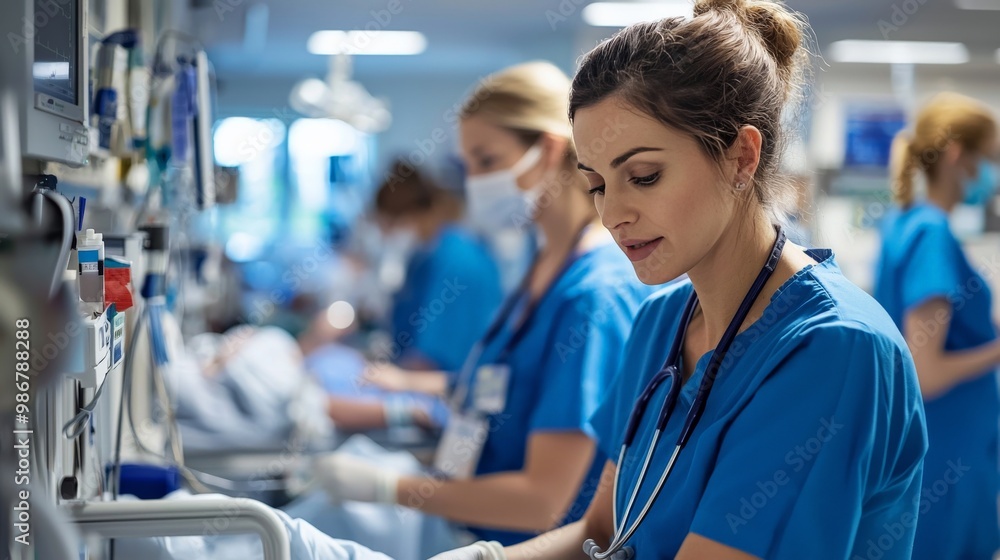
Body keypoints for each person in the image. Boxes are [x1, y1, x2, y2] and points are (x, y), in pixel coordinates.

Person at [432, 1, 927, 559]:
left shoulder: (834, 350)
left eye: (643, 177)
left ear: (741, 156)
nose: (613, 213)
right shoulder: (660, 322)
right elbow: (600, 531)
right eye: (597, 185)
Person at [295, 61, 656, 556]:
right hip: (470, 526)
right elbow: (493, 394)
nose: (475, 185)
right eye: (468, 166)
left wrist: (385, 488)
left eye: (487, 161)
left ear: (548, 151)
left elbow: (541, 502)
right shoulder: (539, 264)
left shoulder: (596, 294)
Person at [873, 92, 1000, 560]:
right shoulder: (932, 234)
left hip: (943, 452)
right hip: (947, 458)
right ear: (956, 156)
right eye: (991, 159)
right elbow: (926, 371)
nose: (994, 174)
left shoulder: (904, 223)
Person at [307, 162, 505, 432]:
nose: (388, 235)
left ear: (409, 215)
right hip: (420, 383)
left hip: (446, 397)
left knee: (323, 395)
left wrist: (387, 377)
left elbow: (430, 360)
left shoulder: (456, 262)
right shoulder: (426, 256)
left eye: (389, 226)